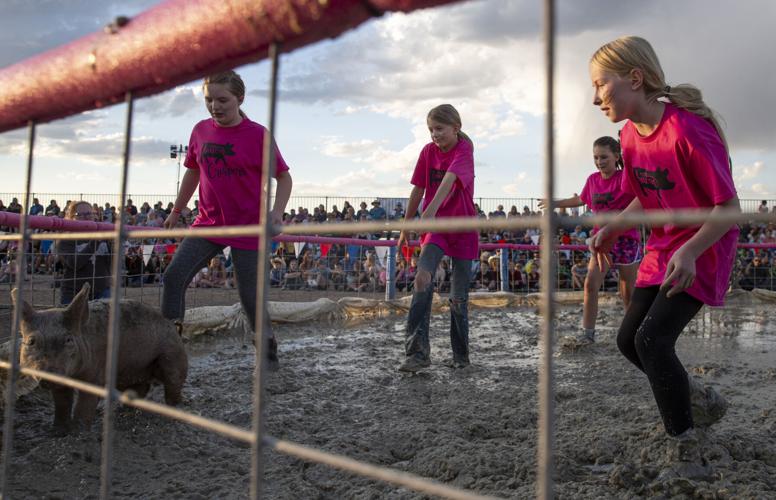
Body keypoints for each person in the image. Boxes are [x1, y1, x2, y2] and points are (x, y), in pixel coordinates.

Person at [588, 36, 739, 477]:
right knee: (627, 341)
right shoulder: (629, 136)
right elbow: (642, 194)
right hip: (663, 246)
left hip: (702, 248)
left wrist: (692, 250)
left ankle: (686, 450)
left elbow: (728, 209)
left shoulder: (689, 130)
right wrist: (613, 227)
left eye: (600, 84)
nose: (595, 97)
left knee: (653, 342)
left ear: (634, 79)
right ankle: (699, 398)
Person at [162, 70, 292, 370]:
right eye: (209, 100)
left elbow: (284, 178)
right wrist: (176, 211)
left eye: (222, 100)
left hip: (249, 228)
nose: (215, 106)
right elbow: (193, 170)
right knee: (173, 277)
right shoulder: (200, 131)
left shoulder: (258, 135)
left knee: (249, 298)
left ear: (240, 99)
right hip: (208, 223)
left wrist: (276, 213)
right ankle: (169, 349)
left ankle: (268, 352)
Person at [397, 104, 477, 372]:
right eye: (431, 129)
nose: (434, 134)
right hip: (437, 228)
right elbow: (418, 188)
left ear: (456, 128)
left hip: (463, 227)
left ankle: (460, 357)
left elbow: (449, 180)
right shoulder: (427, 152)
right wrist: (406, 227)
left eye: (439, 129)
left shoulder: (465, 150)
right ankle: (417, 353)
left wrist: (429, 212)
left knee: (458, 298)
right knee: (422, 278)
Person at [540, 136, 641, 343]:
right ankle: (588, 333)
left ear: (616, 156)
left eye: (604, 157)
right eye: (596, 157)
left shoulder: (626, 178)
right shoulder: (593, 180)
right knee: (590, 285)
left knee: (627, 290)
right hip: (600, 242)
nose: (599, 161)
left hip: (626, 239)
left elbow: (641, 199)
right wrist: (555, 201)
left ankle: (634, 332)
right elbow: (581, 199)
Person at [56, 200, 112, 305]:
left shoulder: (104, 235)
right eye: (80, 215)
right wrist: (96, 241)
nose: (86, 217)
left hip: (102, 291)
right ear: (71, 217)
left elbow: (111, 263)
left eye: (89, 213)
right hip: (74, 294)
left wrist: (114, 243)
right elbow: (74, 263)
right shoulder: (66, 239)